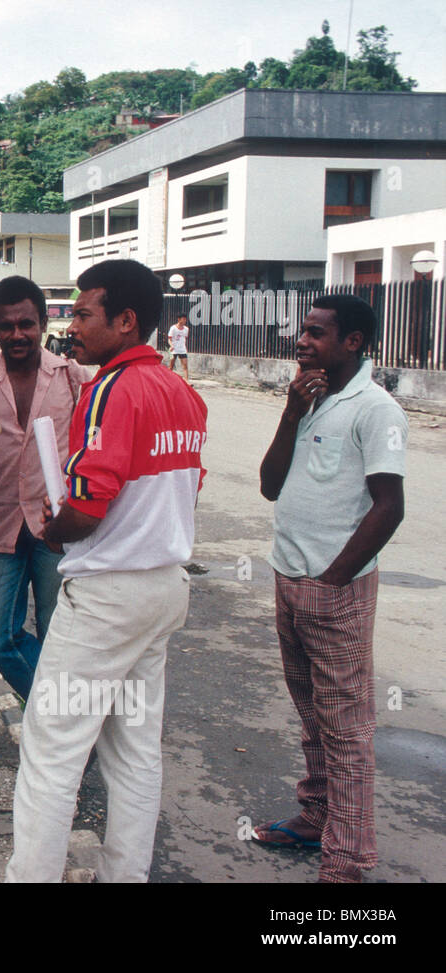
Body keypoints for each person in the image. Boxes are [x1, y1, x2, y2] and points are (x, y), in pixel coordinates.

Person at [4, 259, 207, 883]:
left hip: (108, 594)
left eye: (83, 312)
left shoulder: (110, 389)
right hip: (163, 588)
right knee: (136, 754)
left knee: (51, 752)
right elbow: (184, 489)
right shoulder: (183, 392)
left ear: (125, 321)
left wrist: (50, 525)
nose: (73, 324)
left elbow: (88, 506)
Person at [252, 295, 407, 883]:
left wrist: (335, 577)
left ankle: (348, 862)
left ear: (354, 342)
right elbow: (270, 486)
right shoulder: (310, 400)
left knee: (346, 731)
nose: (302, 341)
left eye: (317, 334)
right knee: (313, 716)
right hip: (288, 578)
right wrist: (291, 414)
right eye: (303, 331)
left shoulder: (376, 409)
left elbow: (389, 508)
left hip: (333, 587)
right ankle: (316, 818)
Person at [0, 277, 90, 702]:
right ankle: (61, 718)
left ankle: (61, 739)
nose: (17, 334)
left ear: (43, 323)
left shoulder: (74, 379)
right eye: (6, 326)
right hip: (2, 530)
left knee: (59, 636)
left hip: (59, 531)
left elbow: (96, 459)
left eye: (26, 324)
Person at [167, 313, 190, 381]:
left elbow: (184, 338)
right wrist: (171, 346)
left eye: (185, 319)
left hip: (182, 350)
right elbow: (169, 339)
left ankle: (186, 381)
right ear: (179, 319)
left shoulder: (186, 329)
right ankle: (168, 380)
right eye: (183, 319)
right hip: (173, 350)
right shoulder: (173, 328)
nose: (185, 320)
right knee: (171, 366)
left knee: (185, 365)